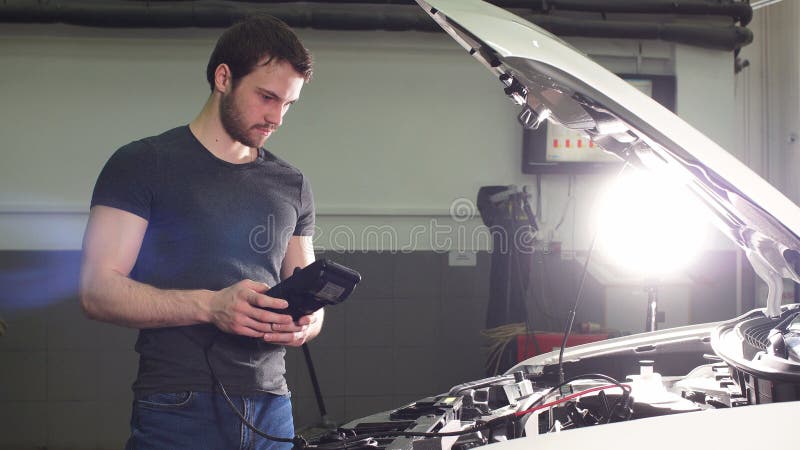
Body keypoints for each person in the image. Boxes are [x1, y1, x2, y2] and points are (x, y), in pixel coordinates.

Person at [79, 15, 320, 450]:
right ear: (223, 77)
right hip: (178, 405)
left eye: (288, 104)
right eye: (267, 97)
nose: (276, 117)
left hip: (273, 405)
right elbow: (96, 291)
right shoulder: (141, 164)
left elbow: (310, 293)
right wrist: (211, 306)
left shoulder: (292, 183)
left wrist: (306, 323)